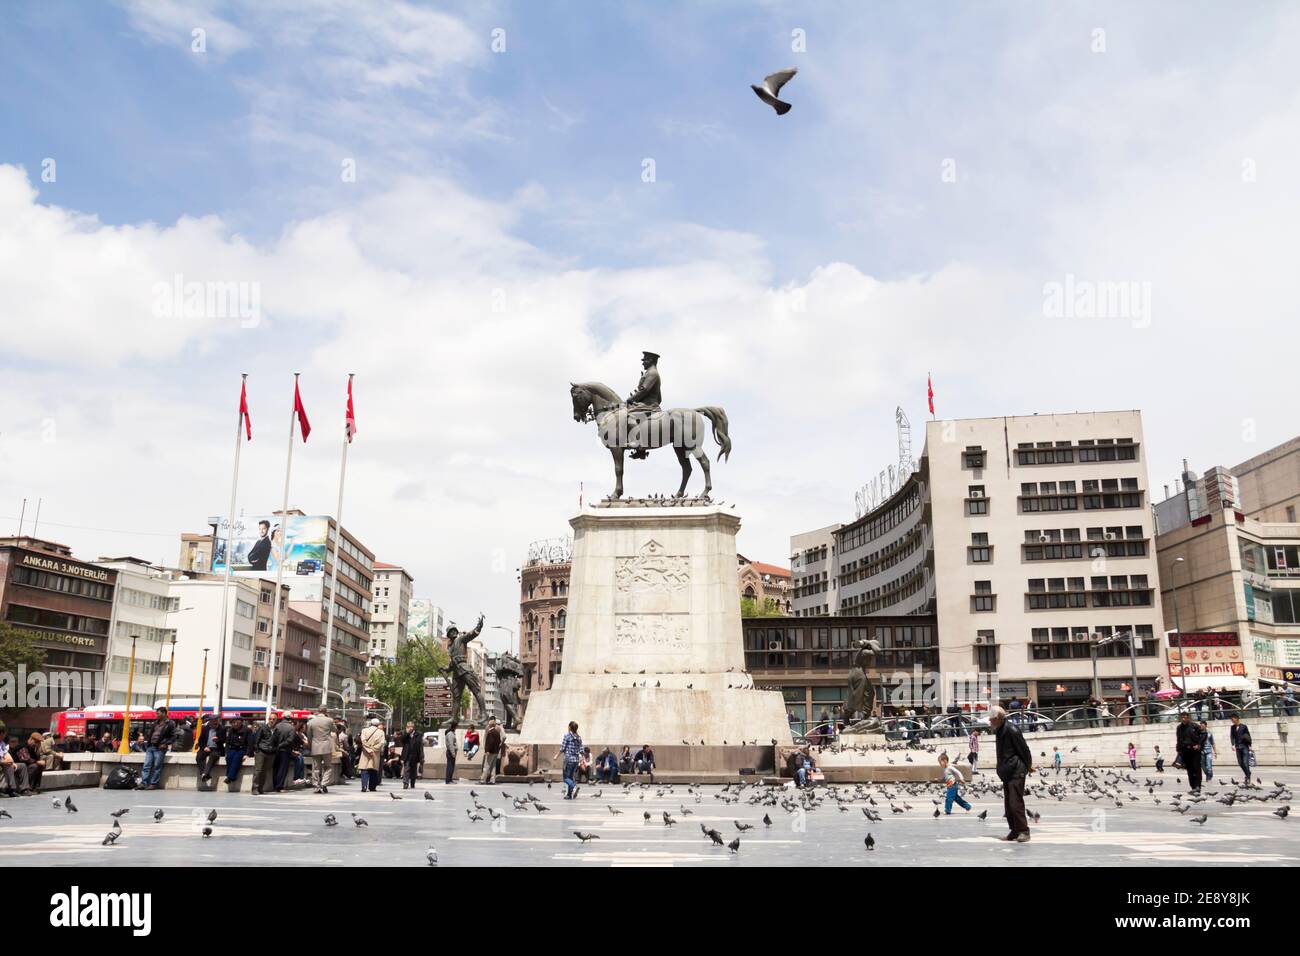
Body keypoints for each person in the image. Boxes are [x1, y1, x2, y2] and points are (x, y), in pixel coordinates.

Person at [990, 705, 1032, 843]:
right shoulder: (999, 730)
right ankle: (1014, 830)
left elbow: (1024, 750)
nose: (990, 722)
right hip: (1007, 771)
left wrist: (1028, 766)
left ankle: (1024, 831)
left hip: (1016, 770)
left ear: (998, 719)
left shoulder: (1012, 730)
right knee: (1008, 805)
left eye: (991, 719)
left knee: (1015, 802)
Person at [624, 350, 662, 459]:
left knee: (627, 415)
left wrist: (631, 399)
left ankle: (637, 442)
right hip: (644, 404)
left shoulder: (653, 373)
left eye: (644, 360)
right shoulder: (649, 373)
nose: (643, 362)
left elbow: (644, 390)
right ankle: (640, 451)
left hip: (649, 405)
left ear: (651, 360)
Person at [140, 705, 175, 790]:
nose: (156, 714)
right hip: (151, 747)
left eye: (158, 713)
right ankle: (143, 783)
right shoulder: (156, 722)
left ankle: (153, 784)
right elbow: (151, 733)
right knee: (146, 765)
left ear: (163, 713)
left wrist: (166, 743)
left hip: (160, 748)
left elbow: (174, 736)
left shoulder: (170, 723)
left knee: (157, 766)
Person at [1175, 712, 1207, 793]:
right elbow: (1178, 739)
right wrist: (1178, 750)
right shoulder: (1179, 728)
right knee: (1189, 769)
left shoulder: (1194, 726)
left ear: (1188, 718)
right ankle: (1193, 786)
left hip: (1195, 750)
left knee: (1196, 768)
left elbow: (1204, 734)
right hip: (1185, 751)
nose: (1183, 719)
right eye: (1182, 717)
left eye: (1185, 717)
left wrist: (1199, 744)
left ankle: (1198, 786)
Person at [307, 707, 336, 794]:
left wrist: (310, 744)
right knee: (328, 767)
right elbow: (335, 730)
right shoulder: (329, 720)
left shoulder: (311, 722)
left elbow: (309, 735)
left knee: (316, 768)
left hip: (315, 746)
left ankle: (316, 785)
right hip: (326, 746)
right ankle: (324, 783)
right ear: (325, 711)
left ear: (318, 711)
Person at [271, 711, 299, 792]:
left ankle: (274, 785)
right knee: (282, 769)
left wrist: (277, 746)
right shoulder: (291, 728)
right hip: (285, 751)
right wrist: (282, 745)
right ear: (290, 718)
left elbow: (273, 738)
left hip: (276, 750)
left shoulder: (277, 726)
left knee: (275, 768)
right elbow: (290, 740)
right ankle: (279, 786)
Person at [250, 715, 278, 795]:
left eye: (273, 719)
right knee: (258, 771)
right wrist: (257, 750)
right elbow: (256, 739)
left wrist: (275, 750)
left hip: (271, 753)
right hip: (261, 752)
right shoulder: (263, 728)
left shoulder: (276, 730)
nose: (271, 720)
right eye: (270, 719)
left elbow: (277, 741)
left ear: (276, 720)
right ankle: (254, 788)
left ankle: (260, 788)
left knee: (264, 771)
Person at [195, 715, 225, 788]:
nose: (215, 723)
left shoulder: (222, 729)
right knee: (199, 757)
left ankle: (205, 774)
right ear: (210, 722)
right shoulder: (205, 728)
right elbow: (200, 740)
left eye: (216, 721)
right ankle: (204, 774)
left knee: (213, 756)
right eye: (213, 722)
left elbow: (224, 740)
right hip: (206, 748)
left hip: (216, 748)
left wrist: (218, 740)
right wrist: (204, 747)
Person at [557, 721, 582, 799]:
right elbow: (581, 749)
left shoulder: (567, 736)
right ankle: (569, 794)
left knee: (566, 778)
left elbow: (562, 748)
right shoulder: (579, 737)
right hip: (576, 760)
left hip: (569, 760)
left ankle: (574, 787)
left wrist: (557, 755)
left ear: (570, 727)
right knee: (571, 777)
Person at [359, 718, 385, 792]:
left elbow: (363, 741)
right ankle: (372, 787)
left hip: (365, 752)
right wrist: (373, 749)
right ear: (378, 724)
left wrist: (368, 750)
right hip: (375, 753)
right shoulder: (381, 732)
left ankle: (364, 786)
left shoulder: (364, 730)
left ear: (371, 723)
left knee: (364, 769)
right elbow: (381, 743)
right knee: (373, 769)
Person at [223, 717, 249, 789]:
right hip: (233, 748)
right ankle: (231, 777)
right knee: (229, 757)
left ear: (240, 723)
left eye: (235, 723)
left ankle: (230, 777)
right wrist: (226, 752)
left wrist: (247, 754)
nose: (234, 724)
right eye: (233, 723)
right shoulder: (231, 730)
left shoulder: (247, 730)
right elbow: (227, 742)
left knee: (236, 758)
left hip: (242, 749)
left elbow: (250, 743)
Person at [1229, 714, 1253, 783]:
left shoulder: (1244, 727)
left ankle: (1248, 778)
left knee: (1245, 763)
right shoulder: (1232, 727)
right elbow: (1232, 736)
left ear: (1237, 719)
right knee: (1240, 763)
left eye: (1233, 719)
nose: (1232, 721)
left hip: (1244, 746)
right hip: (1237, 747)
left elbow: (1248, 736)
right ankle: (1248, 773)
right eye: (1231, 720)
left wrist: (1250, 745)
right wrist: (1232, 744)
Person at [400, 721, 423, 790]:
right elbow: (402, 740)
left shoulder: (418, 734)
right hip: (407, 754)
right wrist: (407, 733)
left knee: (413, 770)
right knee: (406, 769)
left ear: (413, 727)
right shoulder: (405, 734)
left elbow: (419, 744)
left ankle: (413, 783)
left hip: (415, 754)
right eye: (408, 727)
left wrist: (421, 756)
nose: (409, 728)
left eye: (411, 727)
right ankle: (405, 783)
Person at [481, 717, 502, 785]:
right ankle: (492, 780)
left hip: (490, 752)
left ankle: (483, 779)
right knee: (493, 766)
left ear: (490, 725)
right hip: (496, 751)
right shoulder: (497, 732)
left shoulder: (490, 732)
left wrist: (487, 750)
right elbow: (499, 741)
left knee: (487, 765)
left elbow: (490, 742)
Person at [442, 720, 458, 784]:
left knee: (452, 766)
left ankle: (450, 779)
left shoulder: (451, 733)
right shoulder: (450, 734)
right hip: (450, 752)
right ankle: (448, 780)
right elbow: (451, 744)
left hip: (451, 752)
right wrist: (453, 753)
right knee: (450, 766)